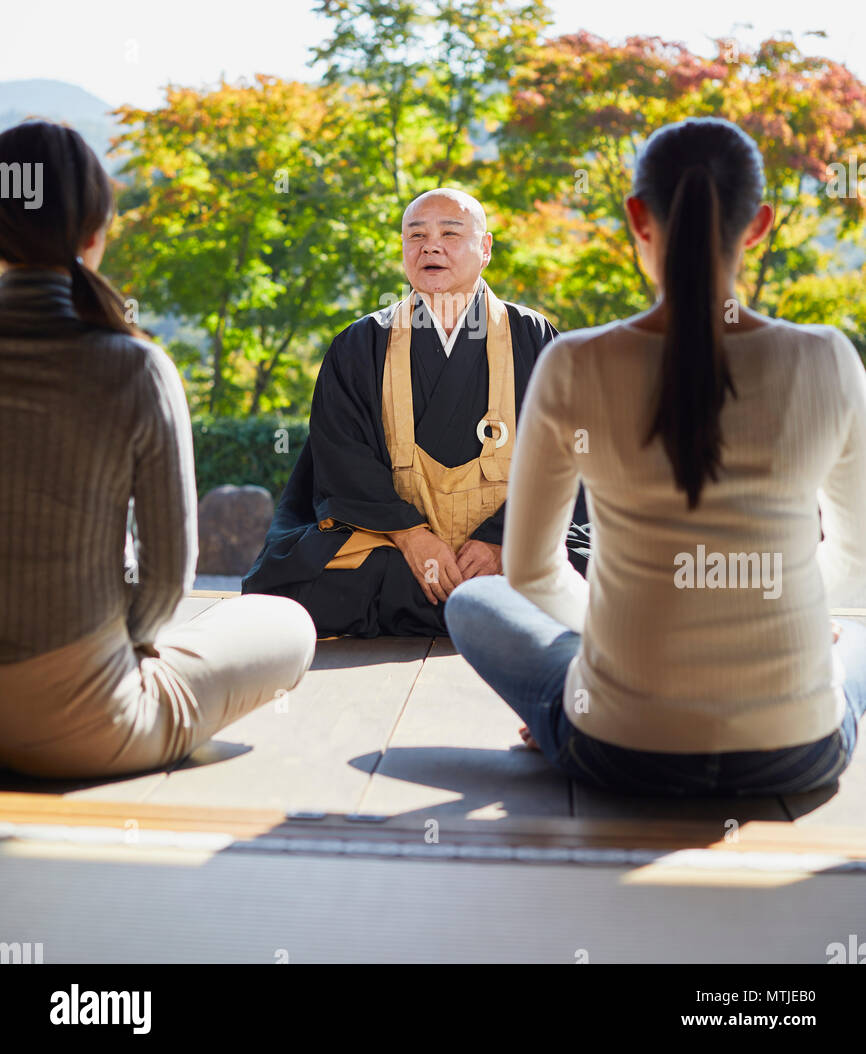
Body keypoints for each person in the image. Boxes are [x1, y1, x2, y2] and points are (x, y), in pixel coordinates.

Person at [444, 117, 866, 796]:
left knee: (476, 601)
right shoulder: (827, 359)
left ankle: (584, 691)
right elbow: (856, 561)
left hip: (620, 745)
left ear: (638, 217)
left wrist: (606, 651)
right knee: (854, 638)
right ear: (758, 226)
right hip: (795, 753)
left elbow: (529, 570)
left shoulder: (574, 362)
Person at [0, 120, 316, 780]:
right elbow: (169, 581)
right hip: (84, 727)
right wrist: (117, 641)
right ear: (95, 233)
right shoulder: (134, 367)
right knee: (287, 624)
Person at [243, 188, 590, 637]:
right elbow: (342, 454)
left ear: (485, 249)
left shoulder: (533, 336)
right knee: (287, 583)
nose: (431, 246)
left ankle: (455, 599)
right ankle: (488, 608)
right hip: (393, 543)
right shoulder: (361, 343)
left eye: (450, 232)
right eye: (416, 235)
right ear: (404, 249)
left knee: (599, 564)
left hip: (511, 543)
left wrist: (502, 542)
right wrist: (412, 537)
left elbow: (564, 457)